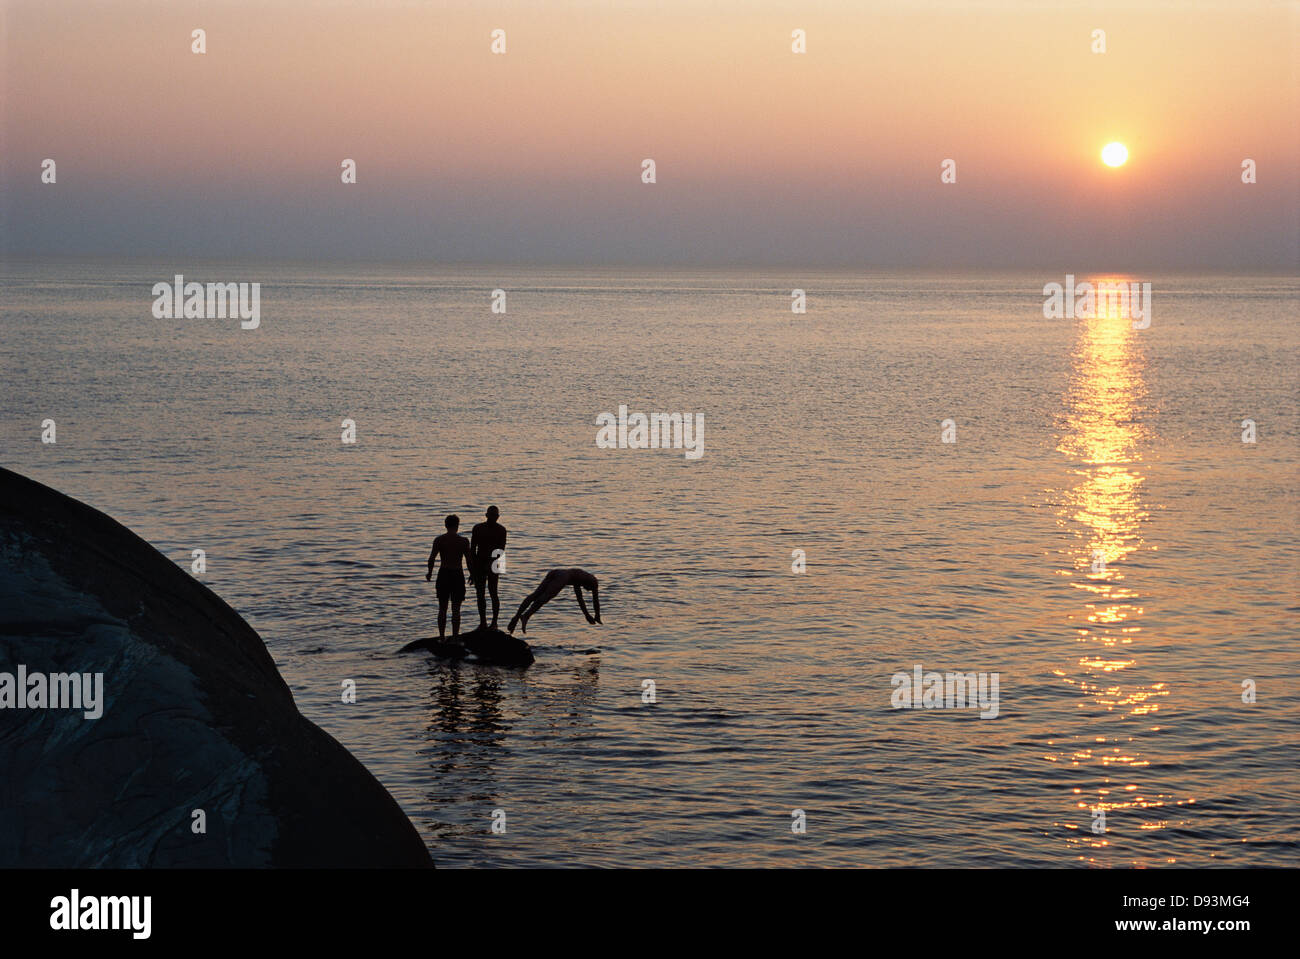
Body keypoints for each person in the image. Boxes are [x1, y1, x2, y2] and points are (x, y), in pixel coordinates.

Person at [507, 568, 601, 635]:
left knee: (535, 595)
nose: (587, 590)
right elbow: (595, 600)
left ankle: (516, 618)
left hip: (556, 572)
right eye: (588, 589)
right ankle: (526, 616)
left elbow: (580, 598)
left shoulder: (580, 578)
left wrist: (587, 615)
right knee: (544, 598)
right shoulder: (593, 581)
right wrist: (597, 616)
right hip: (563, 577)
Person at [426, 515, 471, 640]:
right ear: (457, 525)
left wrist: (429, 573)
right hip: (457, 574)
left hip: (444, 573)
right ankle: (455, 637)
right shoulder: (463, 541)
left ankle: (441, 637)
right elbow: (469, 560)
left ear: (445, 525)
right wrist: (472, 574)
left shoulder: (439, 540)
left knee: (442, 608)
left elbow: (432, 559)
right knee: (456, 609)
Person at [469, 505, 508, 630]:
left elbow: (501, 550)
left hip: (496, 563)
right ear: (486, 515)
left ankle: (494, 623)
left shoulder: (502, 530)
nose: (493, 518)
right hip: (480, 562)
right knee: (480, 593)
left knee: (493, 593)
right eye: (491, 515)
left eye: (495, 516)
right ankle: (483, 622)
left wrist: (491, 564)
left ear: (498, 517)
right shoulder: (478, 528)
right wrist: (472, 569)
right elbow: (472, 549)